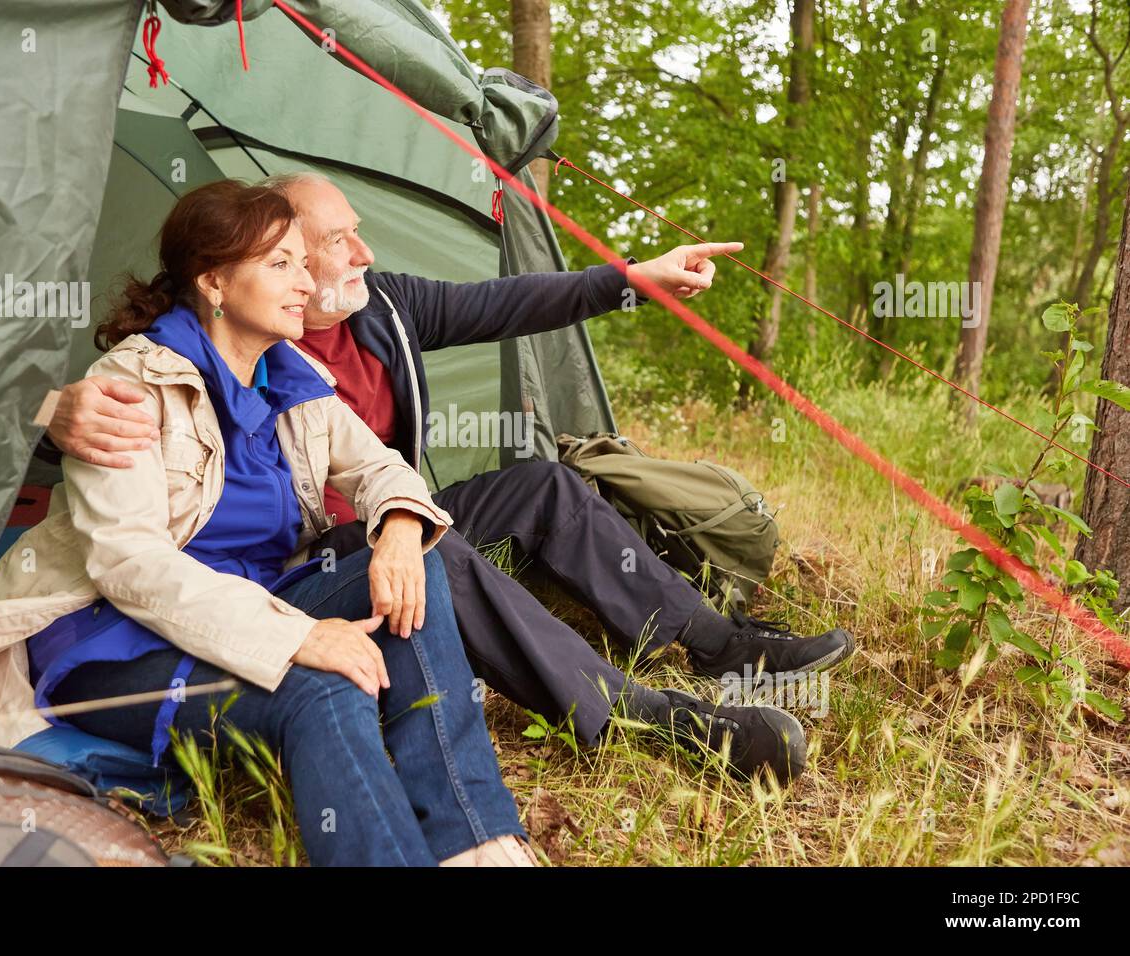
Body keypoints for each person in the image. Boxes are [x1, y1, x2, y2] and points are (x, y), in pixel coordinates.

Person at [42, 173, 856, 783]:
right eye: (329, 245)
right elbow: (132, 439)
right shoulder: (217, 352)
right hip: (314, 555)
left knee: (540, 484)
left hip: (396, 511)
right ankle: (650, 722)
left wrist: (631, 278)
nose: (361, 253)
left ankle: (713, 642)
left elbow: (508, 301)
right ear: (255, 263)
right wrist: (48, 409)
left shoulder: (384, 306)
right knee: (440, 553)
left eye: (349, 237)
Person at [0, 181, 536, 867]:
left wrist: (395, 533)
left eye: (304, 263)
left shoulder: (292, 377)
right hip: (115, 643)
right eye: (280, 264)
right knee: (323, 686)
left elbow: (381, 469)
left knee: (423, 562)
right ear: (212, 280)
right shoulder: (132, 387)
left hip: (253, 607)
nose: (306, 283)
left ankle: (475, 840)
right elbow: (131, 568)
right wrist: (298, 636)